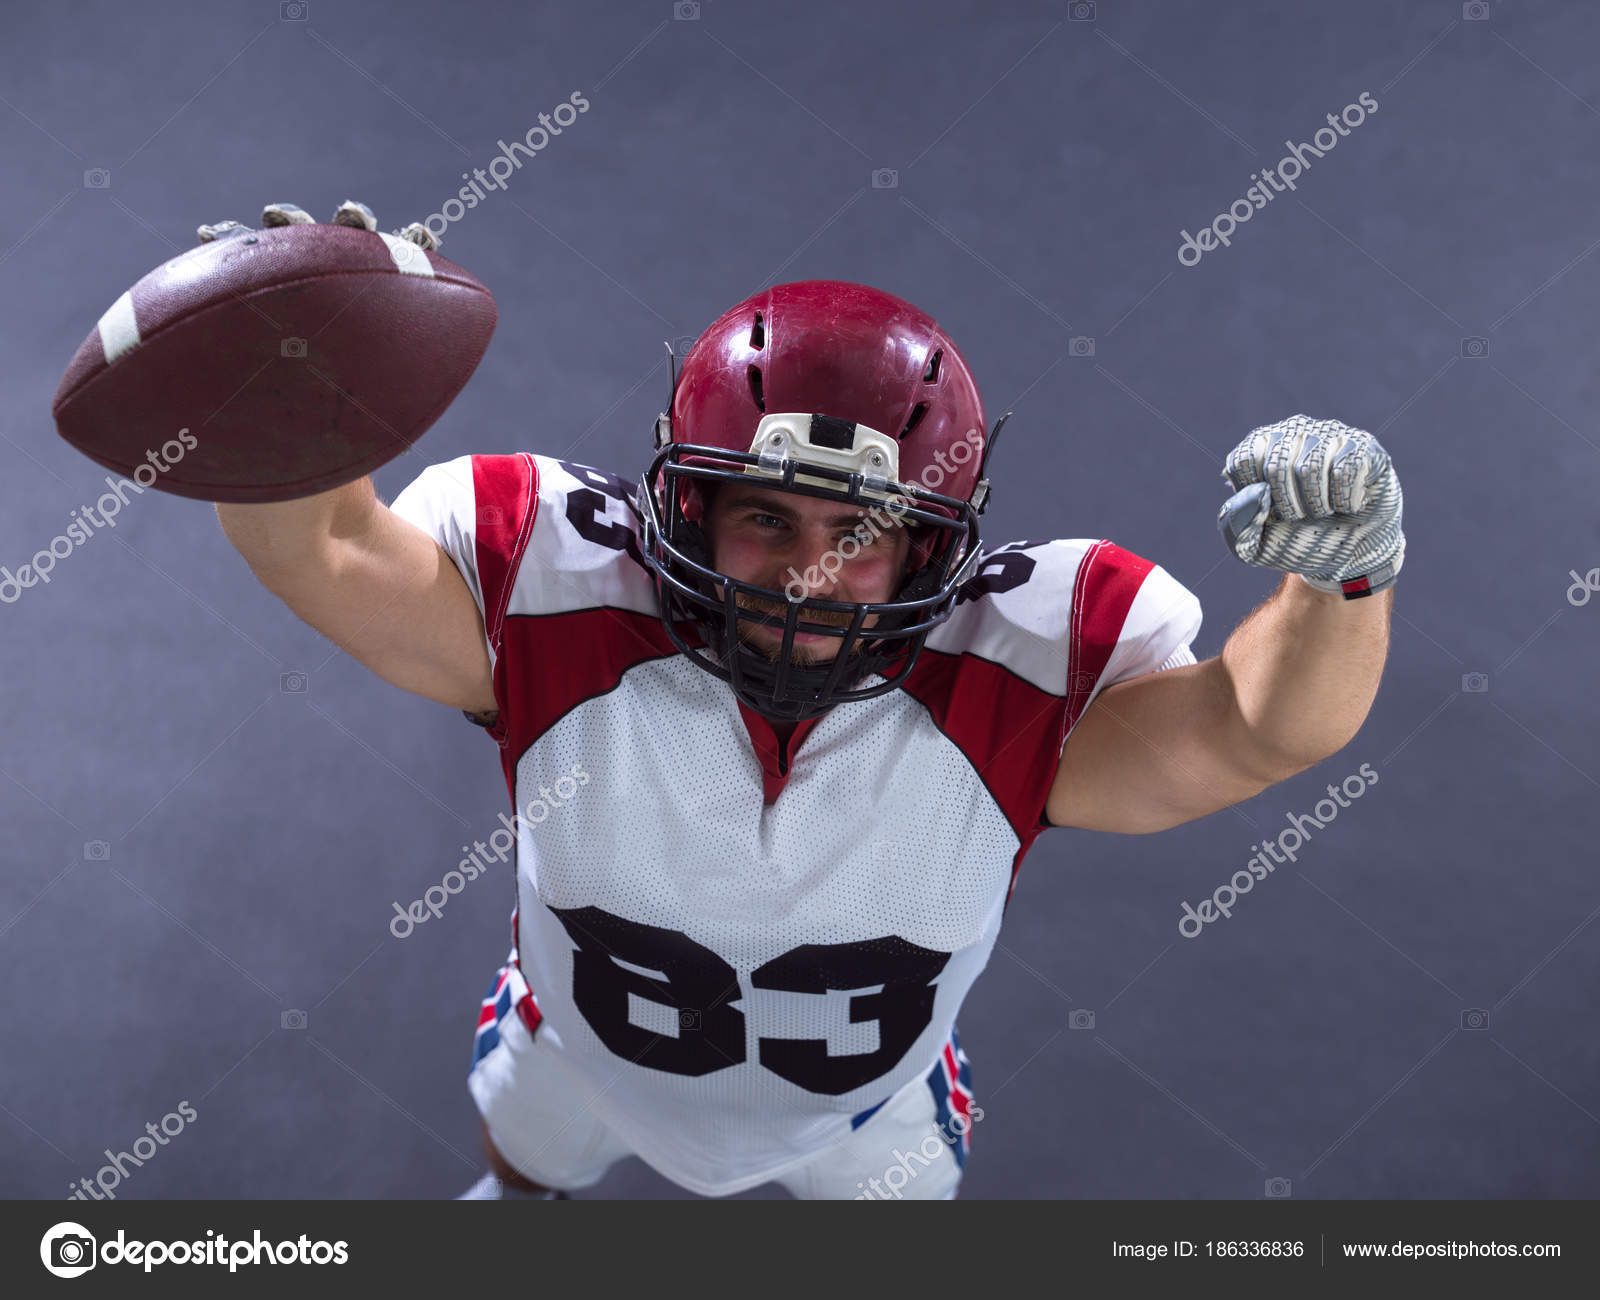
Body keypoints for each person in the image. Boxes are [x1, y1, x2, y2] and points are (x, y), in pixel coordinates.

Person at [216, 228, 1403, 1200]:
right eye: (768, 519)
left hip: (864, 1107)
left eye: (862, 536)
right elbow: (321, 550)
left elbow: (1259, 726)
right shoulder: (562, 598)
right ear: (684, 510)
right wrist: (291, 394)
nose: (808, 575)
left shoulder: (1015, 674)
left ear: (934, 545)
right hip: (580, 1050)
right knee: (524, 1167)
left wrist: (1341, 576)